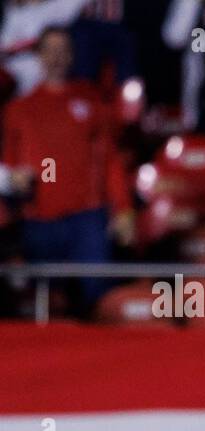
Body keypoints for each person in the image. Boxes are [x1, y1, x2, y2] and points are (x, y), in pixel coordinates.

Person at [1, 25, 131, 312]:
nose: (57, 57)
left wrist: (123, 209)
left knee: (97, 300)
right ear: (39, 56)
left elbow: (110, 160)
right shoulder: (19, 110)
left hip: (87, 219)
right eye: (50, 50)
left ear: (72, 56)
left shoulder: (92, 102)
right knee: (44, 303)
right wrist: (13, 187)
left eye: (63, 50)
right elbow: (9, 167)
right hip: (40, 220)